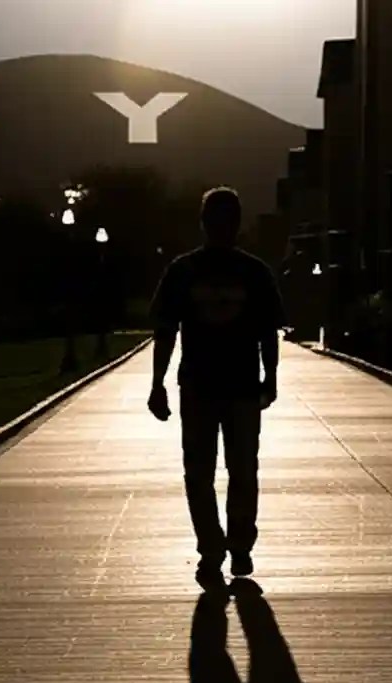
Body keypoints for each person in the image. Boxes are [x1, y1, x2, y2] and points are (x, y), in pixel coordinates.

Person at [148, 186, 285, 589]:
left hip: (211, 386)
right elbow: (267, 334)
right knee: (235, 470)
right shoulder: (249, 272)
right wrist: (270, 377)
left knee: (207, 473)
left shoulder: (187, 270)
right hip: (220, 386)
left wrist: (158, 383)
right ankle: (227, 547)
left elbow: (166, 330)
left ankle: (220, 549)